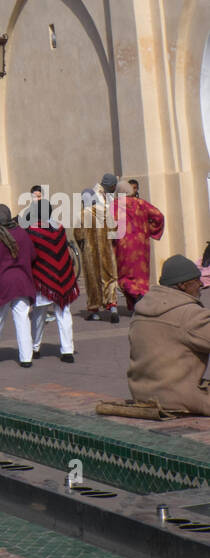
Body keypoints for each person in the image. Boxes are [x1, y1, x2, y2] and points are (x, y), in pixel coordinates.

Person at [127, 255, 210, 415]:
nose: (201, 284)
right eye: (196, 280)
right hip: (177, 398)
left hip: (142, 394)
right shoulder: (189, 315)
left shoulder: (140, 311)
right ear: (183, 285)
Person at [0, 204, 37, 367]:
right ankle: (26, 357)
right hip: (22, 281)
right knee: (22, 319)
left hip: (1, 282)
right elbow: (32, 254)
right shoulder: (21, 233)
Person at [20, 196, 79, 362]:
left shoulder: (32, 230)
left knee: (39, 313)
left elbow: (30, 254)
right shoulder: (59, 227)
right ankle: (67, 350)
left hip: (42, 277)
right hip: (62, 275)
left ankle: (35, 347)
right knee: (64, 312)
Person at [112, 178, 165, 312]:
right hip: (142, 246)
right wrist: (150, 229)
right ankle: (140, 297)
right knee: (141, 275)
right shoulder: (141, 203)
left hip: (123, 246)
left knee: (125, 276)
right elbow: (159, 216)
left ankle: (137, 297)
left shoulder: (115, 205)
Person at [75, 173, 121, 322]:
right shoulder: (107, 212)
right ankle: (112, 306)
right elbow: (114, 231)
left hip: (90, 252)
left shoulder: (83, 214)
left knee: (92, 279)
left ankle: (94, 310)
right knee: (109, 277)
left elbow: (78, 234)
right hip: (106, 249)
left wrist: (82, 245)